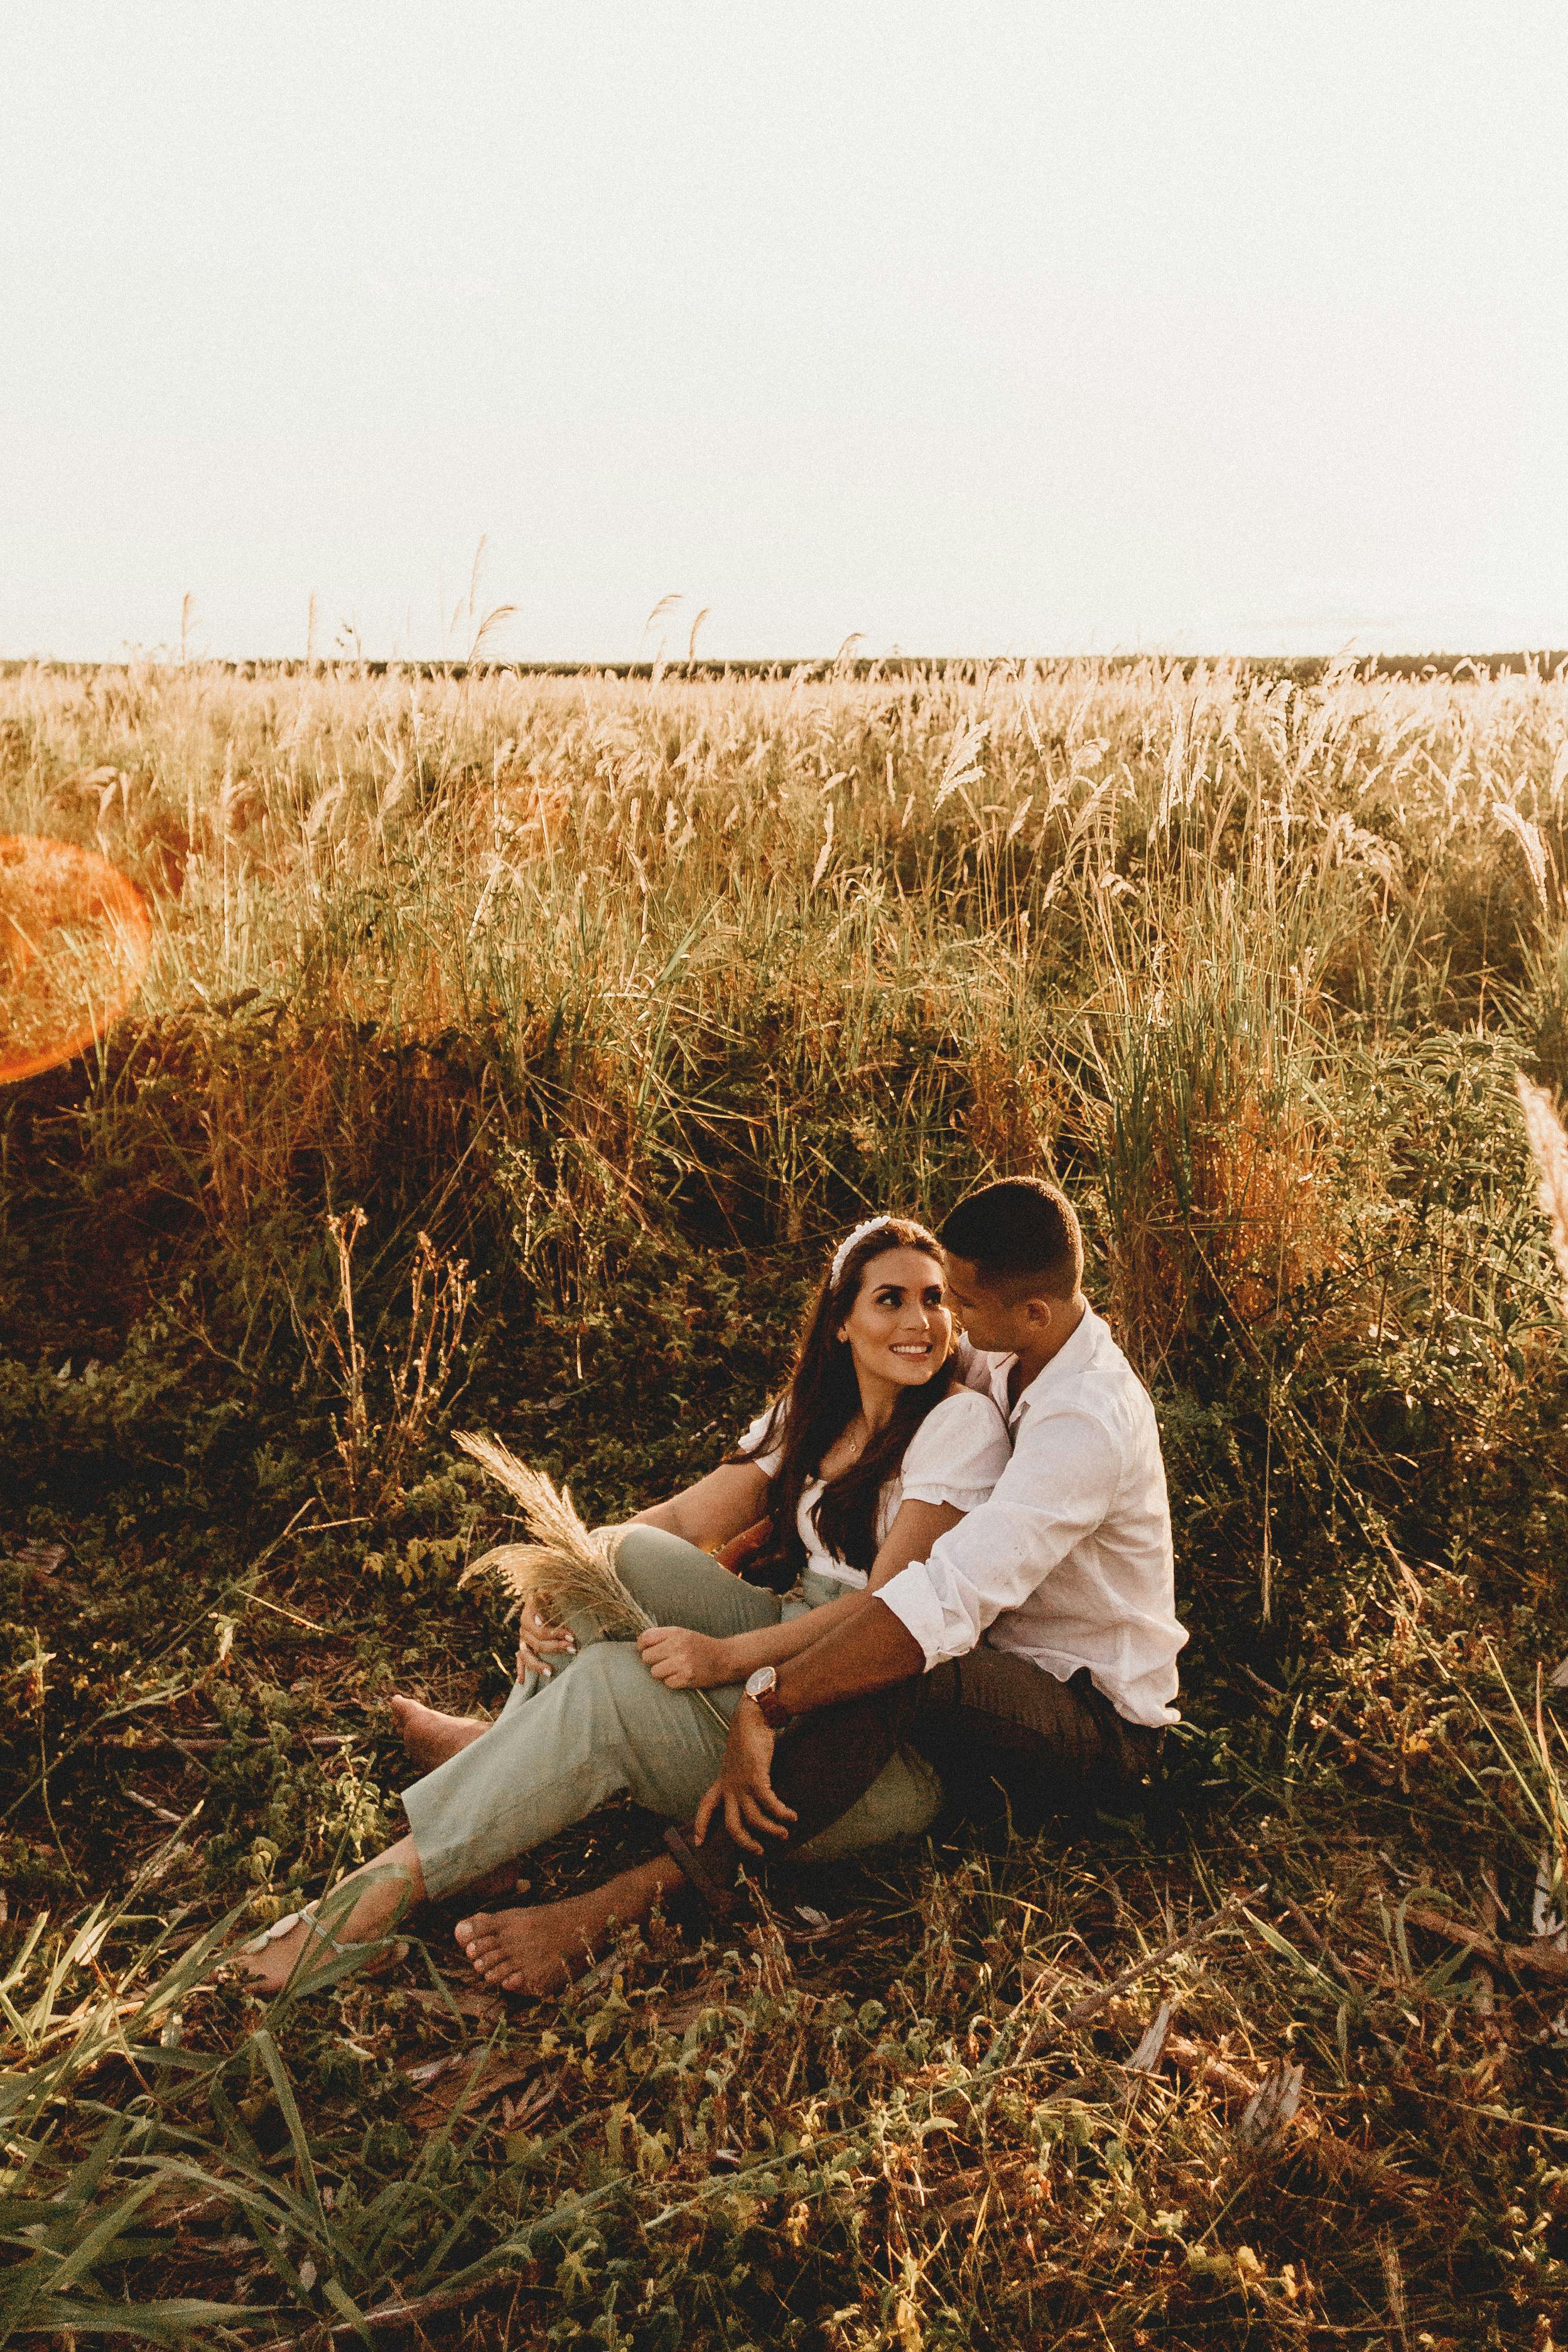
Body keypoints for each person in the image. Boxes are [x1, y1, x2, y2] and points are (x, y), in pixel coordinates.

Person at [232, 1215, 1010, 1996]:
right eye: (890, 1299)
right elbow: (680, 1521)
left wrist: (726, 1657)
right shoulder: (817, 1415)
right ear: (841, 1321)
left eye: (935, 1299)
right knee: (612, 1554)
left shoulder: (958, 1422)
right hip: (791, 1638)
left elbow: (885, 1610)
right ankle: (500, 1786)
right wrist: (561, 1581)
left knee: (611, 1687)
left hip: (863, 1734)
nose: (920, 1321)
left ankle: (367, 1902)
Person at [684, 1178, 1188, 1889]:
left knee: (909, 1653)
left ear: (1033, 1313)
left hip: (1092, 1721)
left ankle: (678, 1882)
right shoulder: (1013, 1343)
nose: (945, 1316)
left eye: (961, 1301)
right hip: (997, 1673)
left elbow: (941, 1601)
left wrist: (768, 1698)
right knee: (892, 1647)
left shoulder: (1085, 1421)